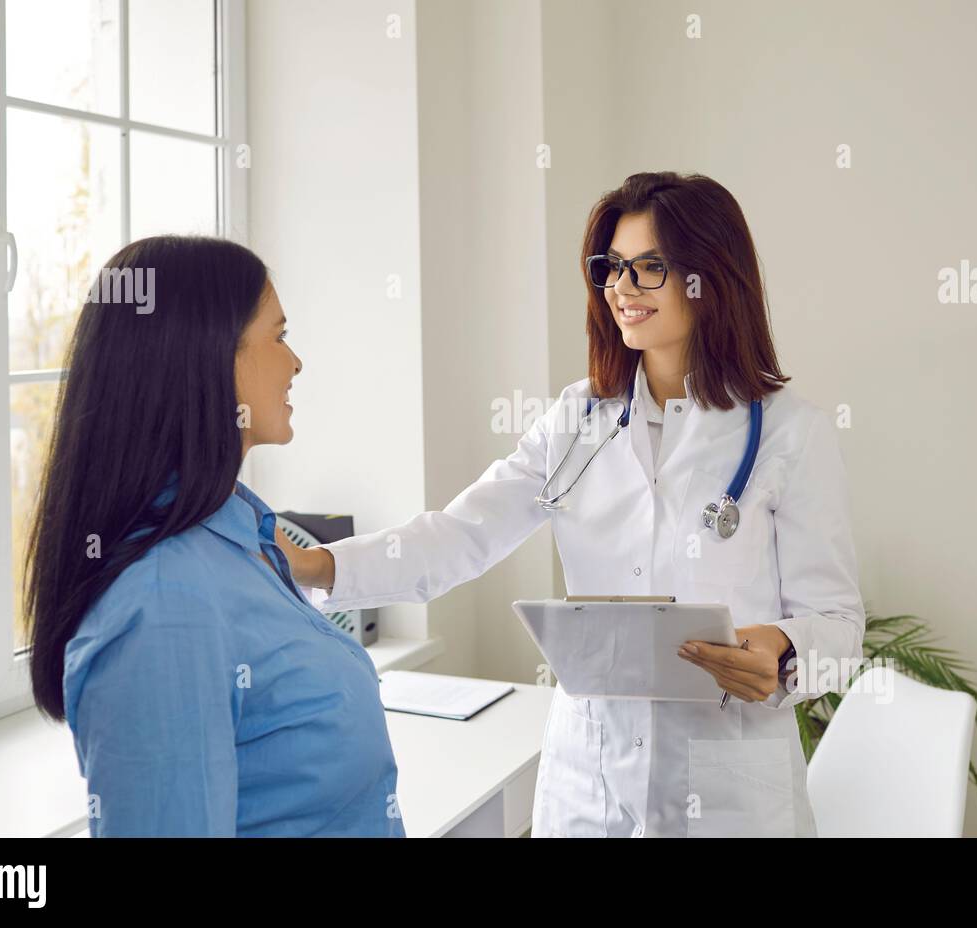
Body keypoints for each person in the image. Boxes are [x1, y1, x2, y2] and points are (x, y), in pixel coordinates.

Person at [280, 172, 866, 837]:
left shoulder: (790, 432)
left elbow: (840, 625)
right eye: (612, 268)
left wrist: (785, 648)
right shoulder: (576, 419)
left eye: (650, 268)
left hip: (728, 788)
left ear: (711, 277)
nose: (622, 289)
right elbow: (459, 536)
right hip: (589, 778)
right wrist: (318, 567)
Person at [24, 235, 404, 837]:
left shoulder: (243, 539)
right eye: (278, 337)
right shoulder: (163, 604)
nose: (296, 362)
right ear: (207, 358)